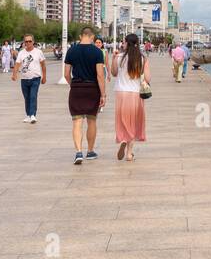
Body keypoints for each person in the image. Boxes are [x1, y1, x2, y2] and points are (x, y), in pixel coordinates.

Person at [64, 27, 106, 164]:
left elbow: (66, 74)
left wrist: (73, 85)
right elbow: (100, 75)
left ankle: (78, 152)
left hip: (76, 88)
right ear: (92, 37)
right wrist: (103, 94)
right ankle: (90, 151)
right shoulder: (97, 52)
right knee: (91, 120)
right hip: (92, 88)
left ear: (81, 35)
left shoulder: (71, 50)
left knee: (77, 121)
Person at [110, 33, 149, 161]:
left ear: (126, 43)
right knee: (133, 121)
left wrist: (113, 58)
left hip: (121, 93)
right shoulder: (142, 58)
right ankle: (129, 153)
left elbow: (114, 73)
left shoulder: (119, 57)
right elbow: (147, 78)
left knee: (122, 120)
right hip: (135, 93)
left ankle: (123, 139)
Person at [12, 33, 47, 124]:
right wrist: (14, 74)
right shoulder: (21, 53)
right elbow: (17, 64)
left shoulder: (38, 52)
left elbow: (43, 65)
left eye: (30, 41)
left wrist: (44, 77)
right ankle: (28, 115)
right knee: (26, 97)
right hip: (24, 79)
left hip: (35, 78)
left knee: (33, 96)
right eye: (26, 41)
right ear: (24, 42)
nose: (28, 43)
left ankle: (33, 115)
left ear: (33, 42)